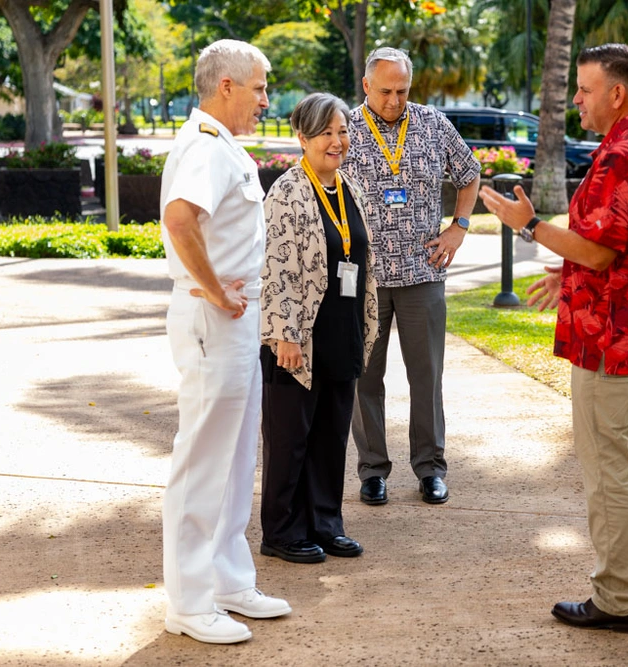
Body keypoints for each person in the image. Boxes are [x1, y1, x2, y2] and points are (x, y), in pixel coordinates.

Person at [479, 43, 628, 633]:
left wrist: (532, 227)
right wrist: (567, 270)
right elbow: (627, 246)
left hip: (613, 344)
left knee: (609, 470)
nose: (577, 99)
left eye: (586, 89)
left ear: (616, 93)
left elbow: (598, 247)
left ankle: (618, 600)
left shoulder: (621, 154)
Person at [159, 39, 291, 644]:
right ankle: (188, 602)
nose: (267, 99)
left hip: (237, 321)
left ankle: (228, 579)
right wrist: (213, 290)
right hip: (217, 321)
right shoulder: (206, 148)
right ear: (228, 86)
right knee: (204, 460)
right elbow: (179, 219)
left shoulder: (222, 145)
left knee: (237, 457)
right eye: (260, 87)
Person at [342, 47, 481, 506]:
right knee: (365, 378)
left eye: (402, 90)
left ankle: (430, 469)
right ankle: (373, 470)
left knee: (427, 377)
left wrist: (458, 227)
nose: (394, 100)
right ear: (366, 86)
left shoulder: (433, 123)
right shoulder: (343, 128)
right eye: (385, 91)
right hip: (364, 277)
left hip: (423, 272)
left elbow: (469, 173)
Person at [259, 93, 379, 565]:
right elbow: (275, 268)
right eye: (327, 132)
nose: (338, 141)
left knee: (331, 436)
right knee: (291, 438)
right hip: (298, 334)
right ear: (303, 137)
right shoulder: (286, 192)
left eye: (343, 130)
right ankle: (283, 531)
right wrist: (284, 334)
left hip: (342, 327)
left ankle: (326, 524)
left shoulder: (350, 187)